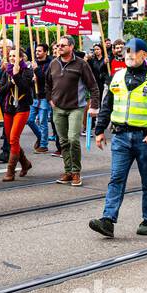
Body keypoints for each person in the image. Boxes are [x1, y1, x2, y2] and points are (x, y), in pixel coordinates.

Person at [89, 39, 147, 238]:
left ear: (145, 55)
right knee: (116, 179)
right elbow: (107, 105)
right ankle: (108, 220)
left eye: (134, 52)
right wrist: (99, 130)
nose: (129, 55)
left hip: (146, 138)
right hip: (120, 137)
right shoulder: (117, 76)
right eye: (127, 51)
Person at [45, 34, 100, 186]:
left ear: (71, 47)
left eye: (63, 45)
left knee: (73, 139)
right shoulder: (54, 64)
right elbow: (47, 84)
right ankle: (68, 171)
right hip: (58, 108)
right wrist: (50, 99)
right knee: (63, 141)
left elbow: (93, 86)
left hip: (76, 108)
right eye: (58, 46)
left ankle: (76, 172)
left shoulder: (81, 64)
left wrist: (94, 106)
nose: (59, 48)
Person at [0, 44, 35, 182]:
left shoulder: (27, 71)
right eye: (11, 56)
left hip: (22, 107)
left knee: (14, 138)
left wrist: (17, 75)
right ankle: (25, 163)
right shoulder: (6, 71)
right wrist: (10, 83)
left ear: (21, 58)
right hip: (9, 108)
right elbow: (0, 90)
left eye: (15, 56)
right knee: (10, 139)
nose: (12, 58)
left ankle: (10, 171)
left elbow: (25, 88)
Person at [29, 42, 55, 155]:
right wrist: (32, 79)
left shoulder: (50, 64)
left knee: (43, 121)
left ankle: (44, 145)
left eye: (39, 51)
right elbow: (30, 79)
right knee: (29, 120)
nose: (37, 53)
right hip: (35, 96)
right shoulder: (34, 63)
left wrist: (37, 70)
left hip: (44, 96)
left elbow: (47, 79)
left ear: (45, 52)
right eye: (36, 51)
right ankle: (40, 136)